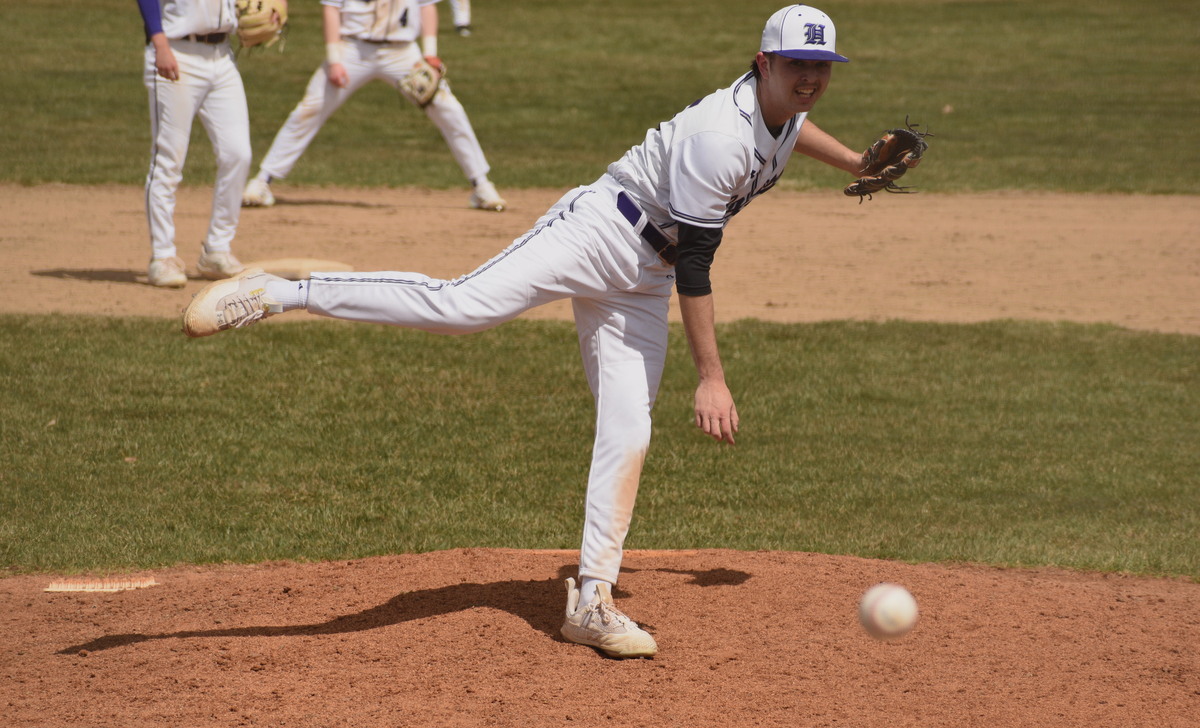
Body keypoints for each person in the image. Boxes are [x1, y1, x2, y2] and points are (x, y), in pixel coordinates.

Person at [185, 5, 897, 658]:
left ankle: (591, 600)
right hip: (598, 232)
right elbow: (698, 267)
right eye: (797, 64)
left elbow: (789, 131)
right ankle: (281, 292)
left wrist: (858, 163)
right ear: (764, 63)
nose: (810, 79)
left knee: (629, 428)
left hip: (643, 279)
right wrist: (711, 377)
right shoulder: (719, 139)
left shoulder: (776, 110)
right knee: (461, 307)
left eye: (821, 66)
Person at [241, 0, 505, 212]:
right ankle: (263, 181)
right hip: (352, 50)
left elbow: (427, 6)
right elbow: (331, 8)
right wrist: (334, 59)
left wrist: (430, 54)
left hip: (403, 53)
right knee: (309, 109)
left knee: (449, 109)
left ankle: (481, 185)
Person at [137, 0, 261, 288]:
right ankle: (162, 257)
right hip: (176, 52)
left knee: (238, 154)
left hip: (222, 57)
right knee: (168, 160)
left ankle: (217, 250)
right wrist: (160, 44)